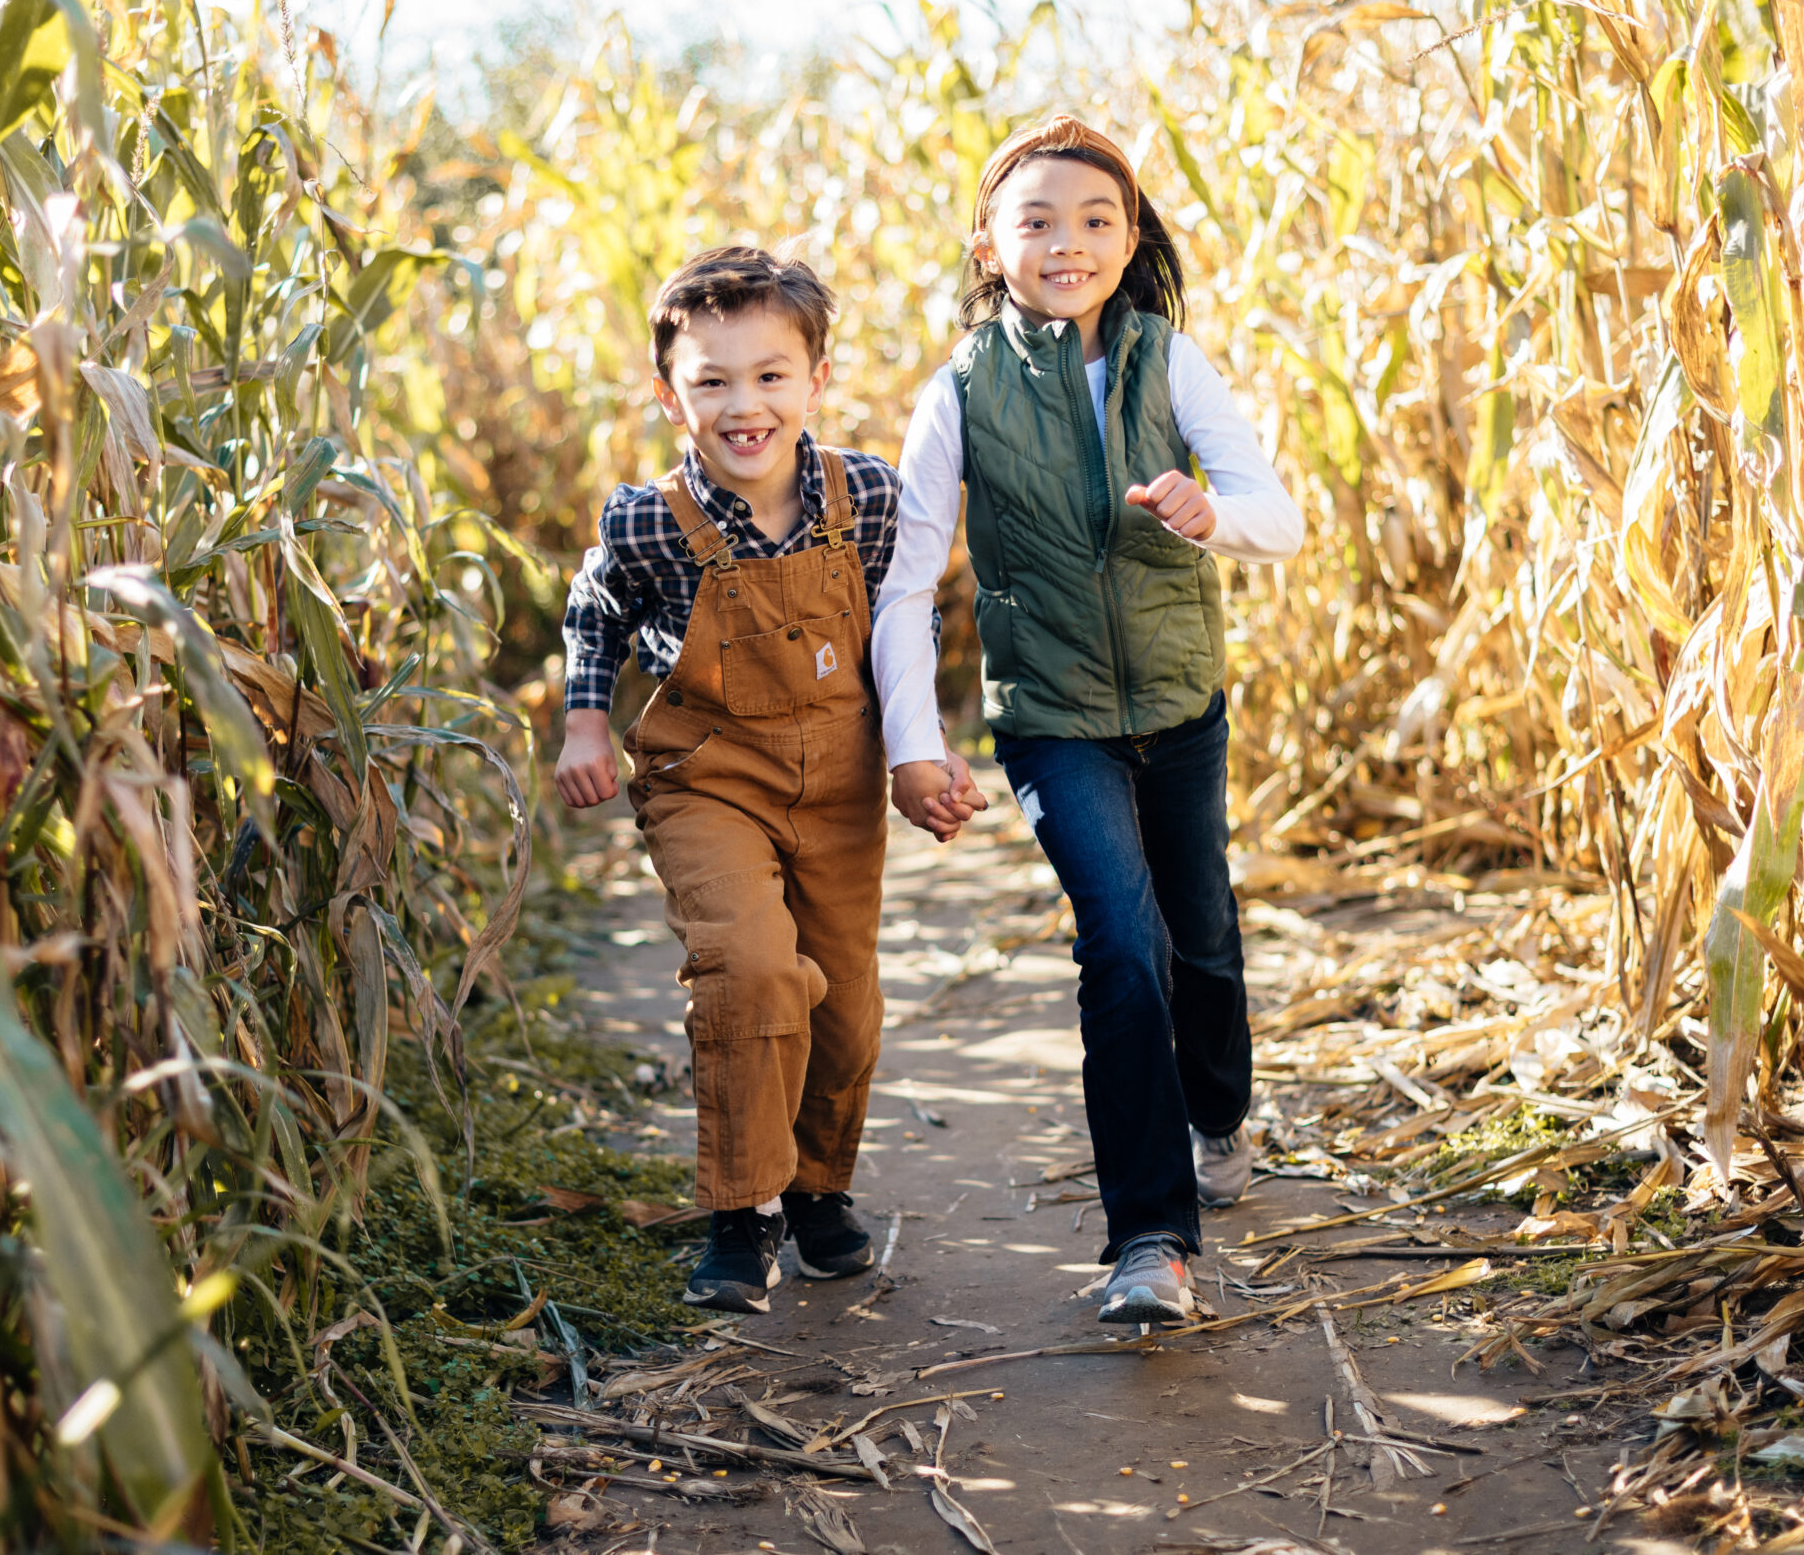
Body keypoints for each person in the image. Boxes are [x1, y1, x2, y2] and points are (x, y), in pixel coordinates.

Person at [871, 115, 1305, 1325]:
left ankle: (1219, 1111)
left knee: (1199, 937)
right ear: (988, 243)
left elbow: (1280, 512)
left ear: (1129, 237)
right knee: (1120, 941)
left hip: (1180, 702)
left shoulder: (1171, 361)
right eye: (1037, 220)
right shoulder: (958, 389)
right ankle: (1151, 1241)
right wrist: (914, 742)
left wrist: (1210, 513)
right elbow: (909, 583)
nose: (1068, 241)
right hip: (1051, 716)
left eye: (1095, 219)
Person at [555, 245, 918, 1313]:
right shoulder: (644, 520)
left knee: (842, 1002)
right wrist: (585, 723)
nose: (742, 404)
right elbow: (593, 611)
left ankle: (817, 1188)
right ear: (670, 395)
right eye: (711, 380)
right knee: (752, 972)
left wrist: (918, 751)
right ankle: (738, 1209)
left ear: (815, 378)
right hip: (708, 779)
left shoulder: (871, 496)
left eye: (769, 374)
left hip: (841, 780)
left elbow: (906, 626)